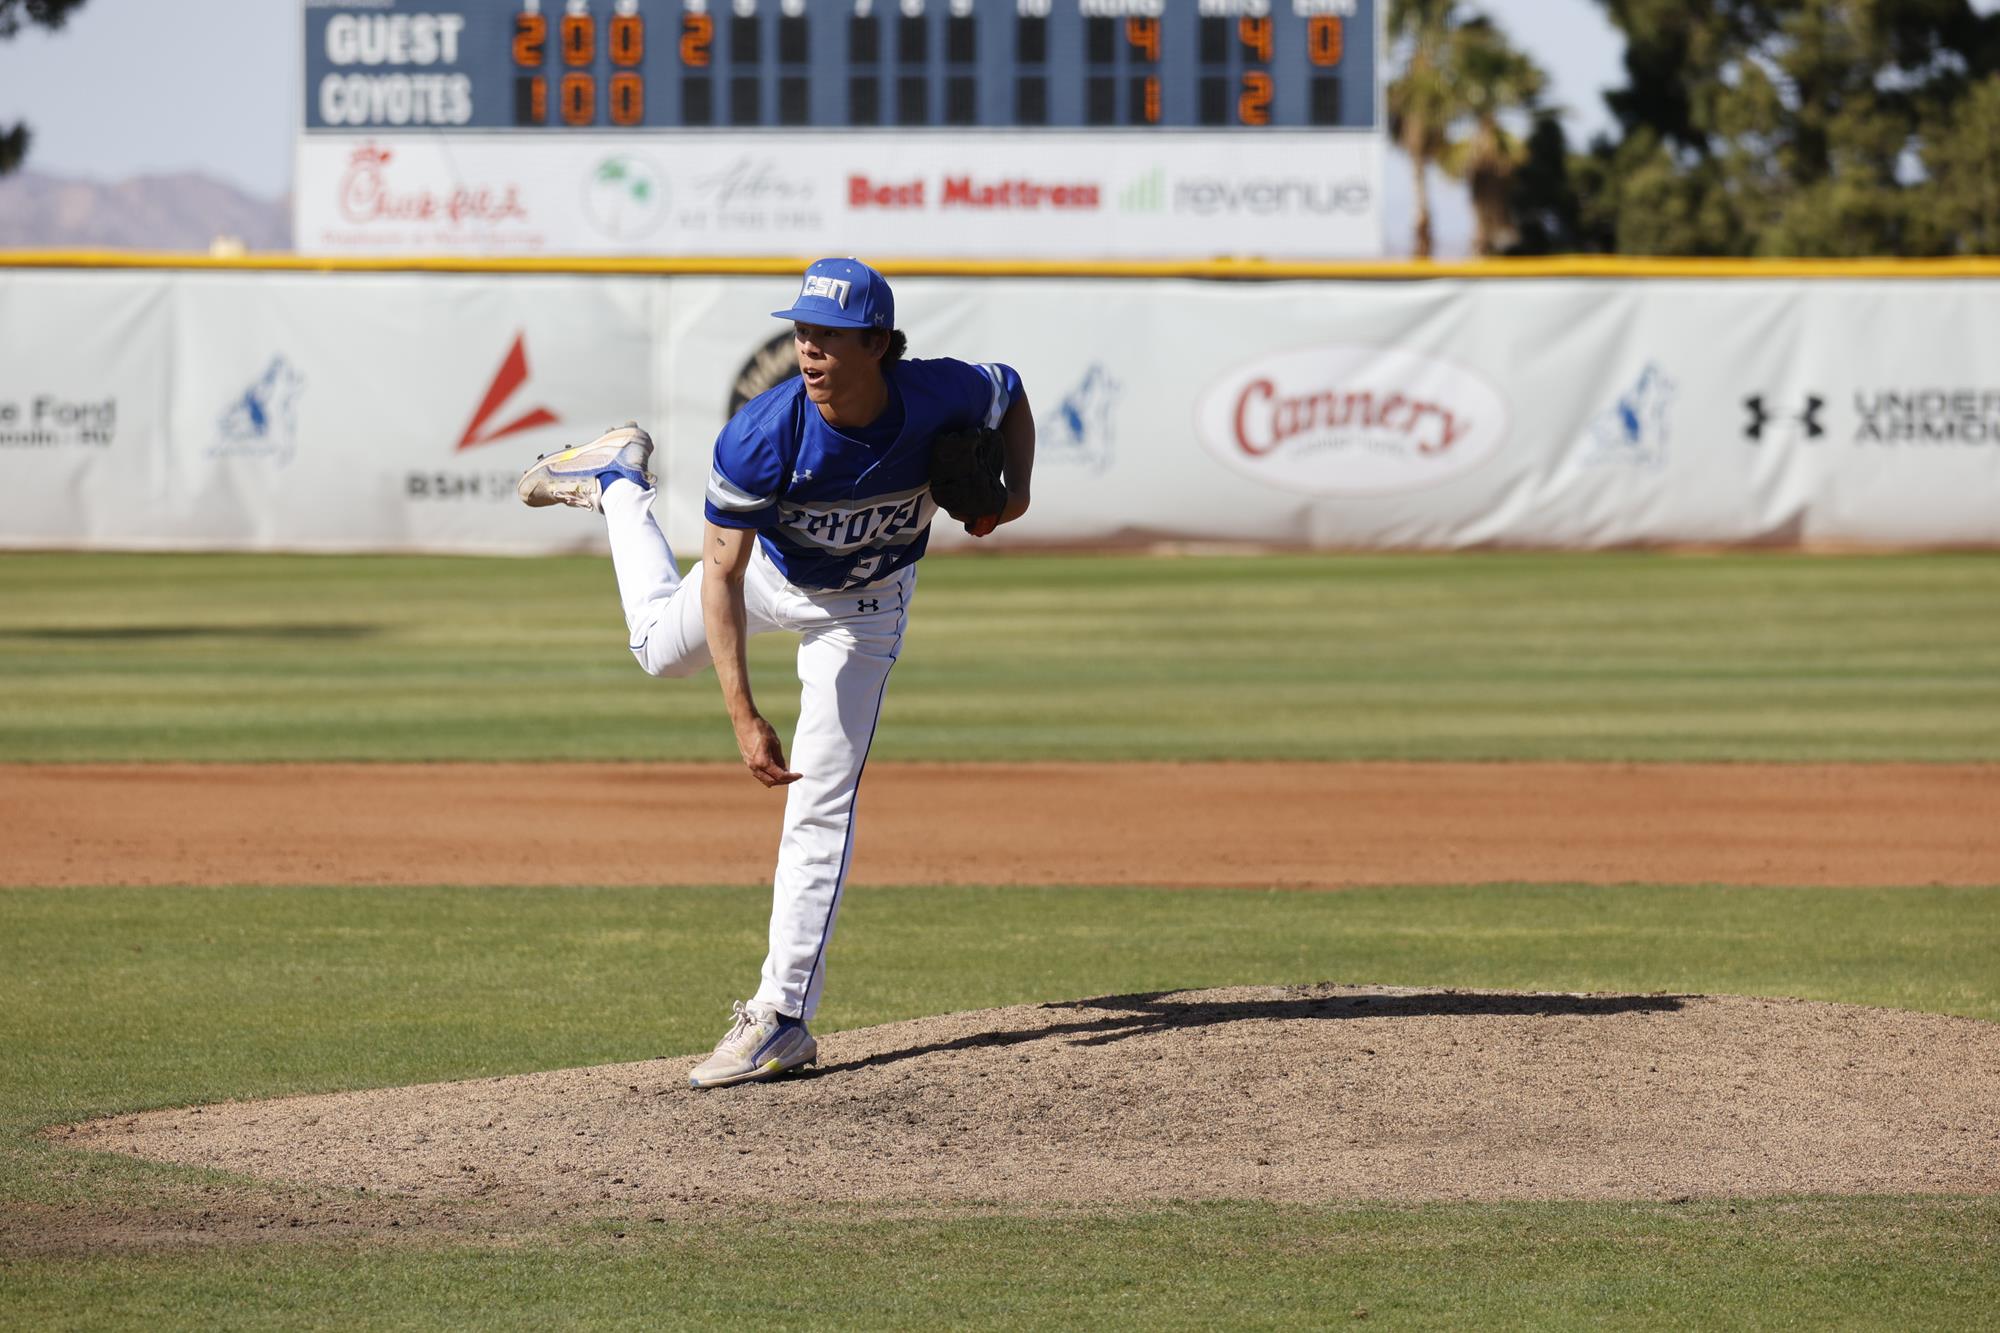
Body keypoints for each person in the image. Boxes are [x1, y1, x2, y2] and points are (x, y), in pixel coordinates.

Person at [516, 257, 1035, 1088]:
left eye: (828, 334)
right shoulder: (763, 436)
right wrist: (744, 715)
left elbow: (1010, 392)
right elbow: (721, 575)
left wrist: (1016, 495)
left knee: (820, 792)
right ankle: (618, 482)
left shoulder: (942, 393)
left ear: (877, 344)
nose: (809, 349)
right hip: (765, 578)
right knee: (657, 649)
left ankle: (781, 1016)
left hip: (862, 610)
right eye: (801, 332)